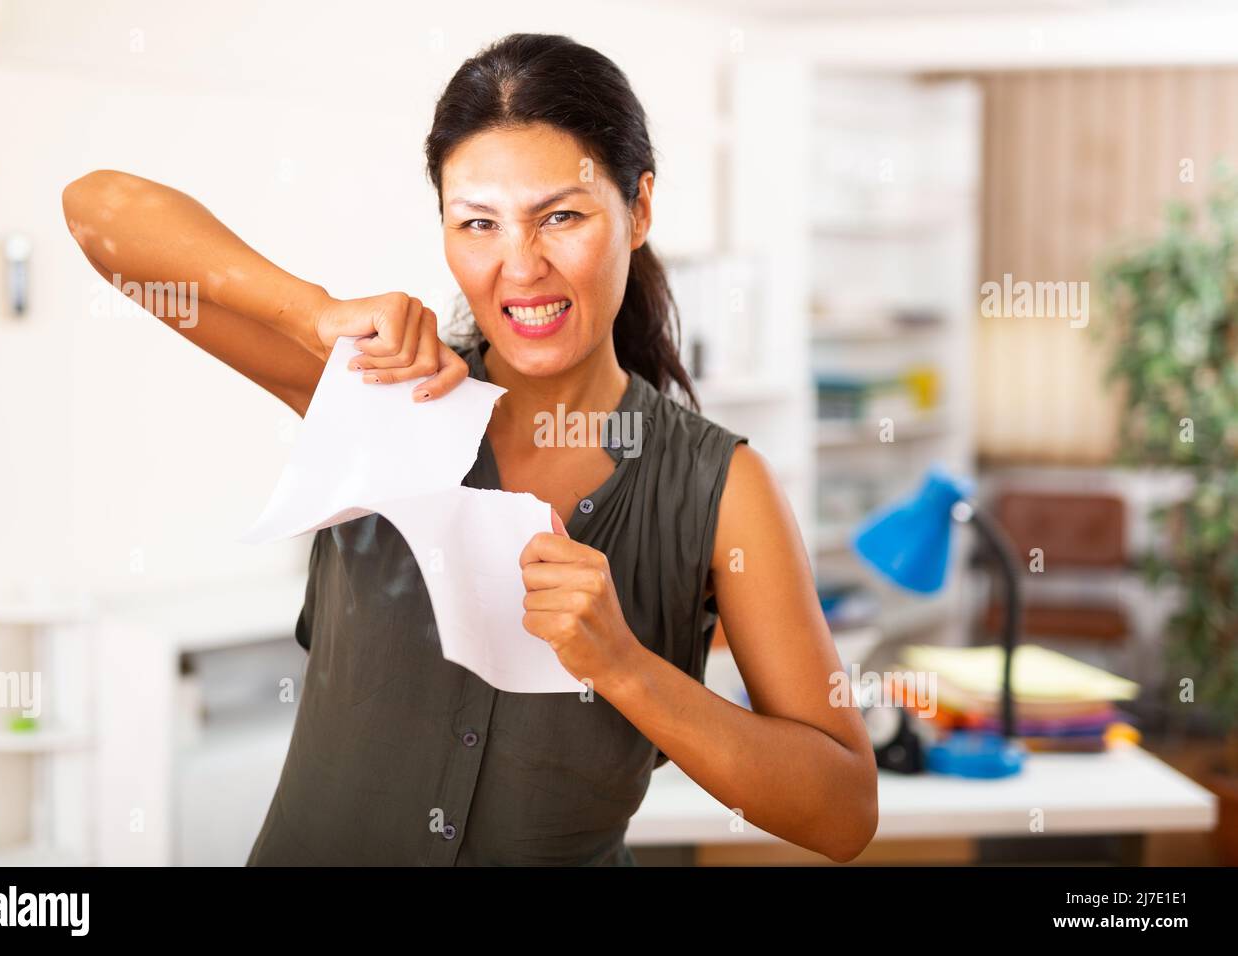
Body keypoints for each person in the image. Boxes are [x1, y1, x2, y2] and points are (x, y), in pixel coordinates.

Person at [61, 32, 877, 866]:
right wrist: (308, 312)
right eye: (478, 223)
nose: (520, 267)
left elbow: (843, 811)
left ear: (639, 209)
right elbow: (97, 211)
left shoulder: (722, 488)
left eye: (561, 215)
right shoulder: (377, 398)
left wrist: (626, 667)